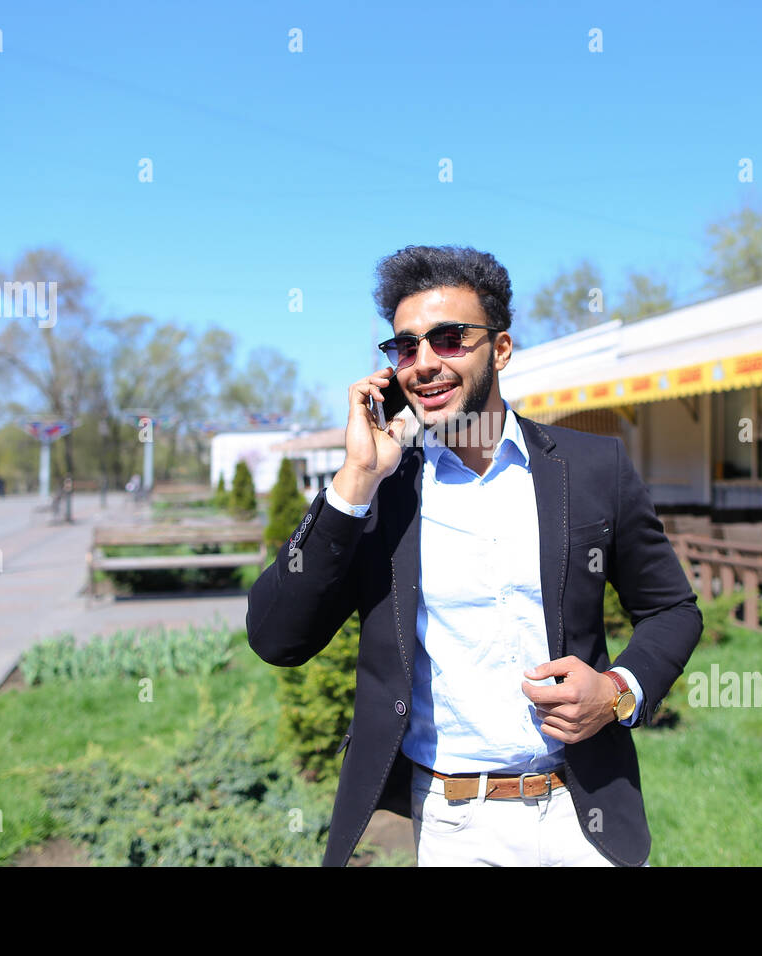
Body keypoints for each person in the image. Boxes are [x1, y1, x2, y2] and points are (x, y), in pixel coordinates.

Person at [246, 245, 702, 867]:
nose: (424, 364)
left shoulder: (594, 468)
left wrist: (619, 691)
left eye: (450, 338)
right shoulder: (382, 491)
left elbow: (673, 608)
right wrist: (354, 480)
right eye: (406, 347)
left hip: (587, 810)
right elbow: (278, 637)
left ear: (502, 349)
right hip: (454, 825)